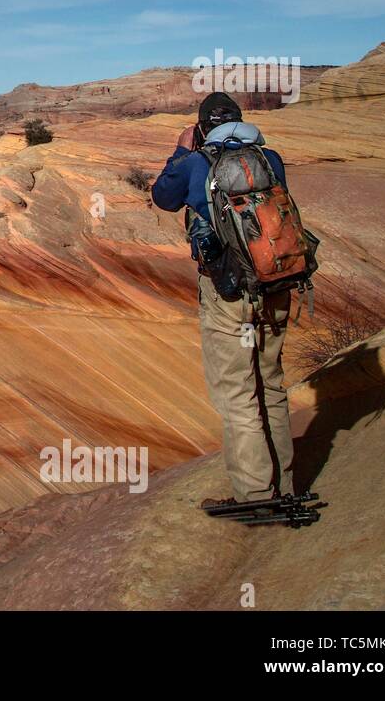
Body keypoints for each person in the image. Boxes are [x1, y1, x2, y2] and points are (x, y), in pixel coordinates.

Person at [151, 92, 294, 506]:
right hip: (276, 283)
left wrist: (181, 150)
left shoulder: (197, 162)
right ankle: (285, 484)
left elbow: (164, 197)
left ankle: (254, 494)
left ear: (201, 127)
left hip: (227, 289)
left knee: (237, 392)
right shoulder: (270, 159)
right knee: (271, 384)